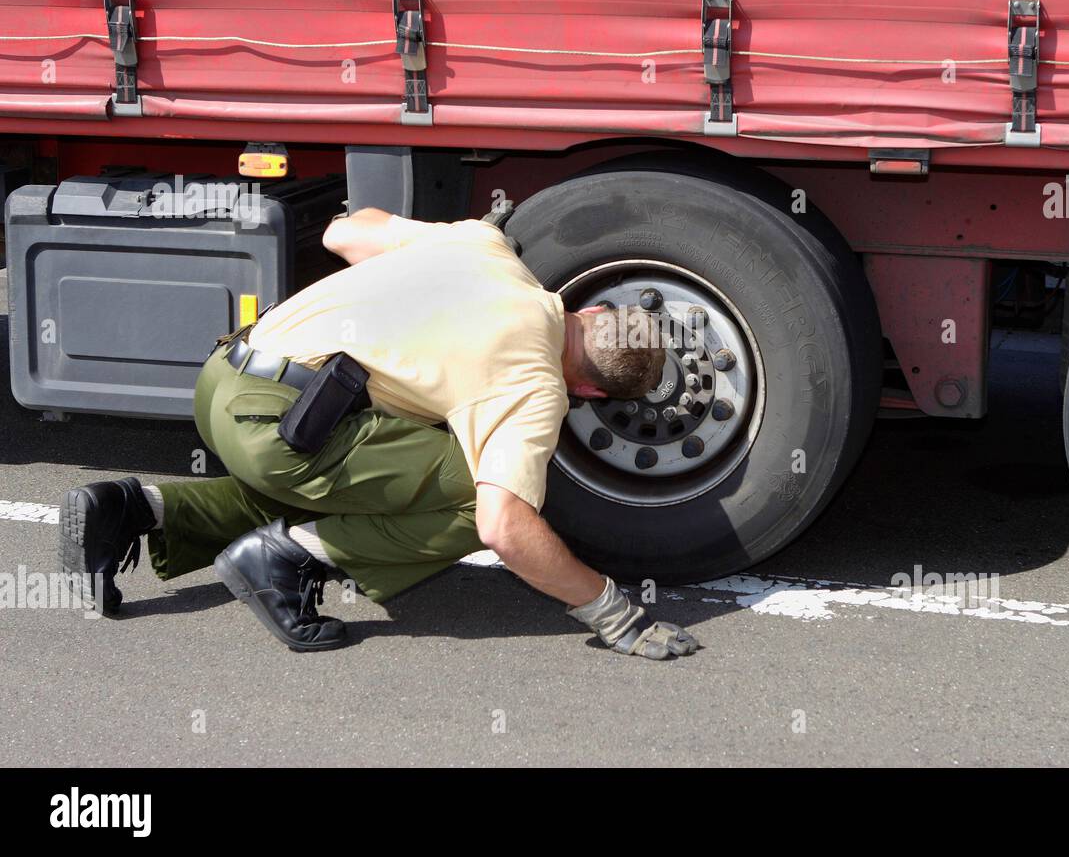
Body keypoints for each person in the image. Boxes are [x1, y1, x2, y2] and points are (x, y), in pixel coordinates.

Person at [58, 207, 700, 660]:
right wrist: (612, 613)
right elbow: (501, 529)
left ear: (588, 310)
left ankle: (135, 509)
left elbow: (345, 232)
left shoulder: (484, 247)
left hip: (221, 381)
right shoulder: (536, 390)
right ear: (589, 391)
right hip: (281, 429)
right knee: (481, 493)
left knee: (363, 471)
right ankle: (288, 557)